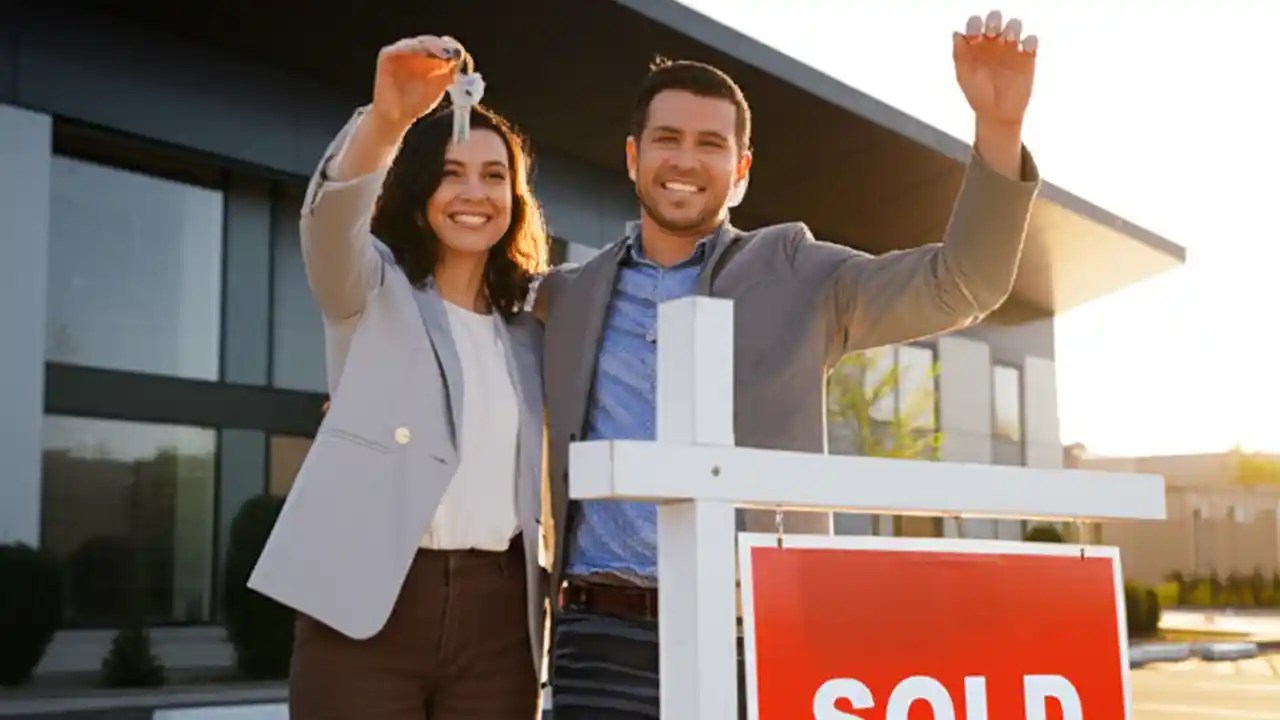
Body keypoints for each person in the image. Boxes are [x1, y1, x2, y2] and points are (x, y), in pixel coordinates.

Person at [534, 10, 1043, 719]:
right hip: (598, 639)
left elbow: (963, 283)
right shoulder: (567, 295)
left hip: (753, 630)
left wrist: (998, 130)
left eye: (711, 144)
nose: (685, 160)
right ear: (632, 157)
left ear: (740, 172)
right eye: (667, 139)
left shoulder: (799, 272)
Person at [248, 35, 550, 720]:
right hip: (366, 612)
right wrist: (388, 120)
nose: (474, 193)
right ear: (417, 191)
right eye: (452, 173)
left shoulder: (533, 326)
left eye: (494, 176)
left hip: (500, 621)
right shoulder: (367, 288)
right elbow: (329, 223)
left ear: (515, 197)